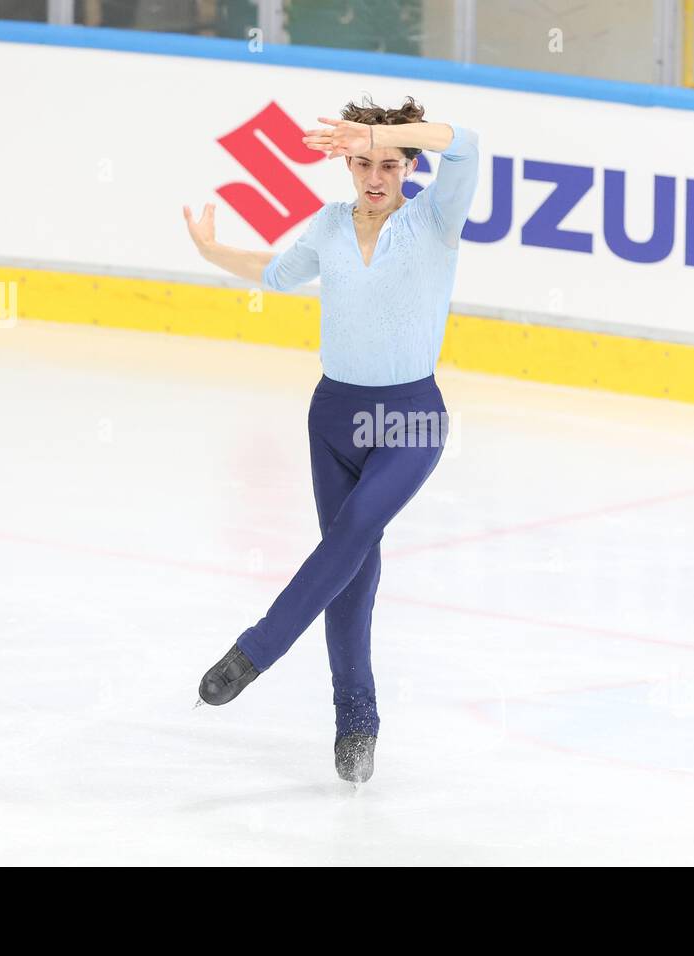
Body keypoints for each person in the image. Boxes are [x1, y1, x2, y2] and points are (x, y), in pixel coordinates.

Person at [181, 94, 480, 784]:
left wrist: (383, 129)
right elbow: (277, 274)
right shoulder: (328, 224)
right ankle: (356, 721)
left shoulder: (435, 219)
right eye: (360, 164)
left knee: (349, 539)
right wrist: (209, 248)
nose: (374, 177)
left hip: (410, 420)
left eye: (387, 163)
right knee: (352, 577)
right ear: (345, 167)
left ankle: (253, 653)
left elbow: (468, 142)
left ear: (408, 165)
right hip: (333, 418)